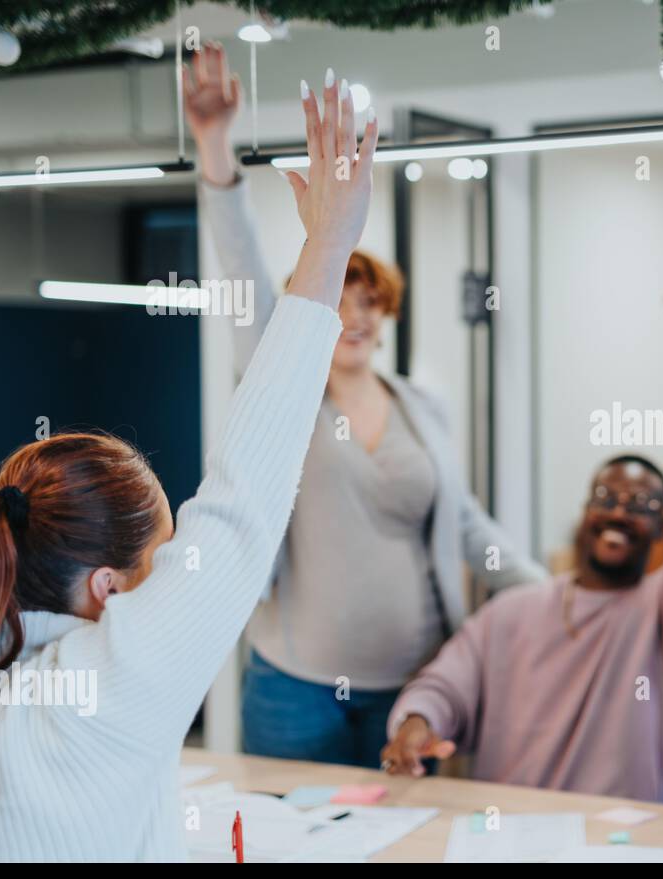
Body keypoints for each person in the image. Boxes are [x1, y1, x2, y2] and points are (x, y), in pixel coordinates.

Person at [0, 75, 377, 860]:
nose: (174, 579)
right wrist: (330, 243)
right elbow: (245, 495)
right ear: (108, 588)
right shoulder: (114, 680)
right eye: (164, 561)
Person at [183, 41, 544, 768]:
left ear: (387, 315)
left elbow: (467, 523)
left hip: (415, 686)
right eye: (341, 300)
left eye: (371, 302)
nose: (355, 317)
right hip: (297, 687)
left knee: (408, 829)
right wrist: (215, 147)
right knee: (295, 829)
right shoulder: (284, 392)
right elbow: (242, 268)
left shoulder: (422, 406)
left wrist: (556, 597)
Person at [380, 254, 663, 802]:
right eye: (606, 498)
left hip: (619, 837)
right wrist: (416, 724)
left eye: (641, 506)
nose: (619, 512)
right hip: (505, 831)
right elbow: (445, 685)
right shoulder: (514, 613)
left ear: (662, 530)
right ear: (585, 512)